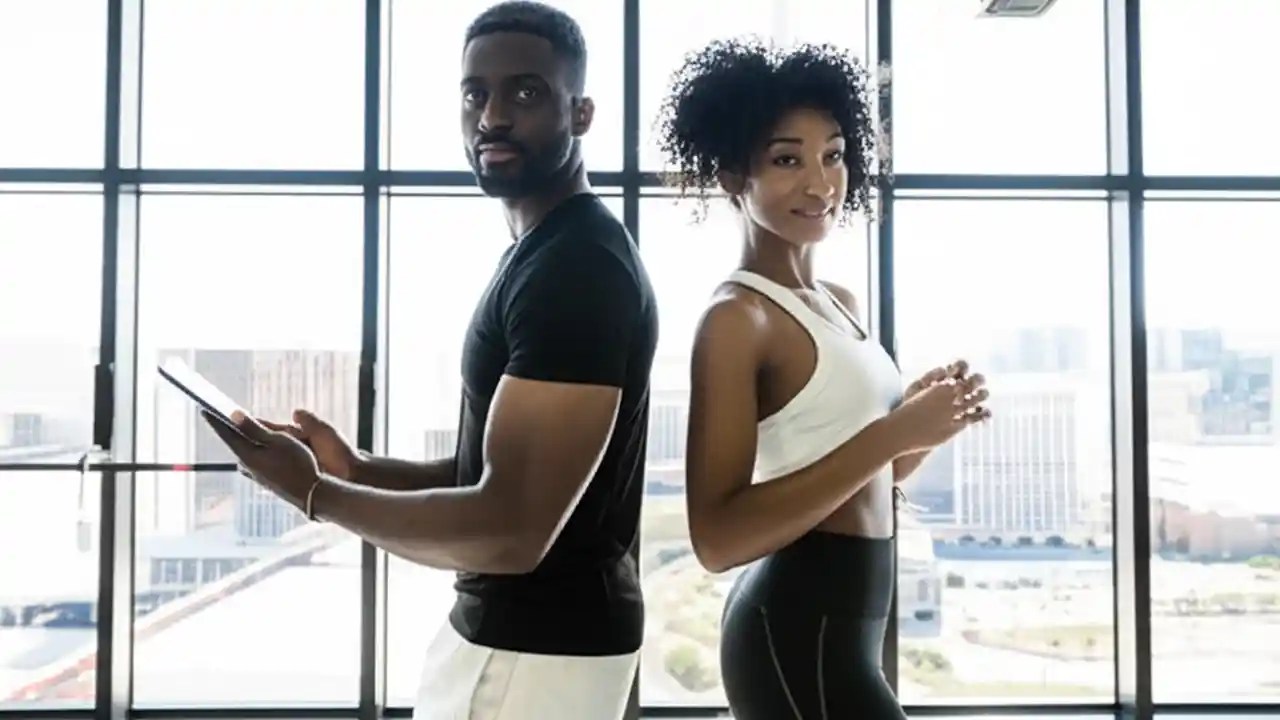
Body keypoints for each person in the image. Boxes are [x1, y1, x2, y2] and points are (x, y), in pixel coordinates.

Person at [204, 3, 658, 718]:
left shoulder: (577, 269)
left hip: (538, 656)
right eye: (475, 94)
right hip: (521, 647)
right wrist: (351, 467)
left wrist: (318, 496)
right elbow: (484, 480)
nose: (492, 116)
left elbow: (513, 529)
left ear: (582, 114)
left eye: (526, 92)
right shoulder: (544, 256)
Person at [655, 38, 990, 719]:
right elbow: (717, 539)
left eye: (832, 155)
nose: (820, 183)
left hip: (845, 634)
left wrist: (924, 429)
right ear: (729, 176)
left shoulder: (841, 303)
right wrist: (893, 431)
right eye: (786, 160)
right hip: (792, 631)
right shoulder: (736, 320)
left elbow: (865, 482)